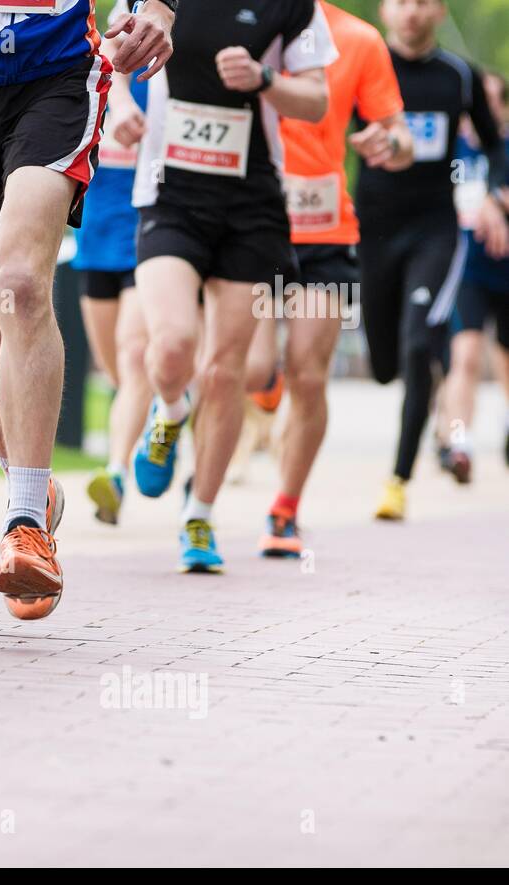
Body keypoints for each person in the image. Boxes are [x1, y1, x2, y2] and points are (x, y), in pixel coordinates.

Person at [0, 0, 176, 618]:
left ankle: (25, 522)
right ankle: (30, 487)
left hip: (57, 71)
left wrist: (160, 7)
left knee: (22, 286)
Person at [127, 0, 335, 573]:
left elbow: (318, 100)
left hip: (252, 205)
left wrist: (265, 79)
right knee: (171, 345)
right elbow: (108, 58)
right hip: (170, 194)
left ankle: (200, 514)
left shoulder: (293, 7)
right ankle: (169, 412)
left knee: (227, 369)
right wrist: (120, 108)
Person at [248, 0, 414, 558]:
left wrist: (386, 144)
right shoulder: (243, 19)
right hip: (250, 219)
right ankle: (256, 383)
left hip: (326, 231)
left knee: (309, 375)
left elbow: (402, 136)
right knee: (247, 370)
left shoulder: (360, 39)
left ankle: (285, 509)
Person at [358, 0, 509, 521]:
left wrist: (492, 192)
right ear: (384, 10)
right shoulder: (364, 61)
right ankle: (421, 403)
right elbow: (318, 121)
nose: (412, 13)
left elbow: (492, 146)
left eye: (423, 2)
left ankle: (397, 480)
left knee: (420, 344)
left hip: (434, 230)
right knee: (383, 365)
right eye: (402, 2)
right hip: (373, 231)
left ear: (440, 12)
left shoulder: (458, 76)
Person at [77, 65, 153, 527]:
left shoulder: (167, 77)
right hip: (95, 243)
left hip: (151, 241)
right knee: (115, 371)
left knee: (135, 353)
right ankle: (158, 423)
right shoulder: (86, 70)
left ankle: (116, 472)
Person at [444, 69, 509, 481]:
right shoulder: (455, 153)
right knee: (464, 356)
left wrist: (498, 204)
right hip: (467, 270)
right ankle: (458, 442)